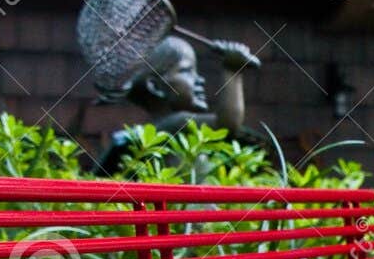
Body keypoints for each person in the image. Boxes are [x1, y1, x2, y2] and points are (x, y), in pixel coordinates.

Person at [97, 34, 260, 173]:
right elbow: (228, 123)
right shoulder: (176, 124)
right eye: (187, 71)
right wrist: (232, 71)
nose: (200, 80)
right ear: (155, 86)